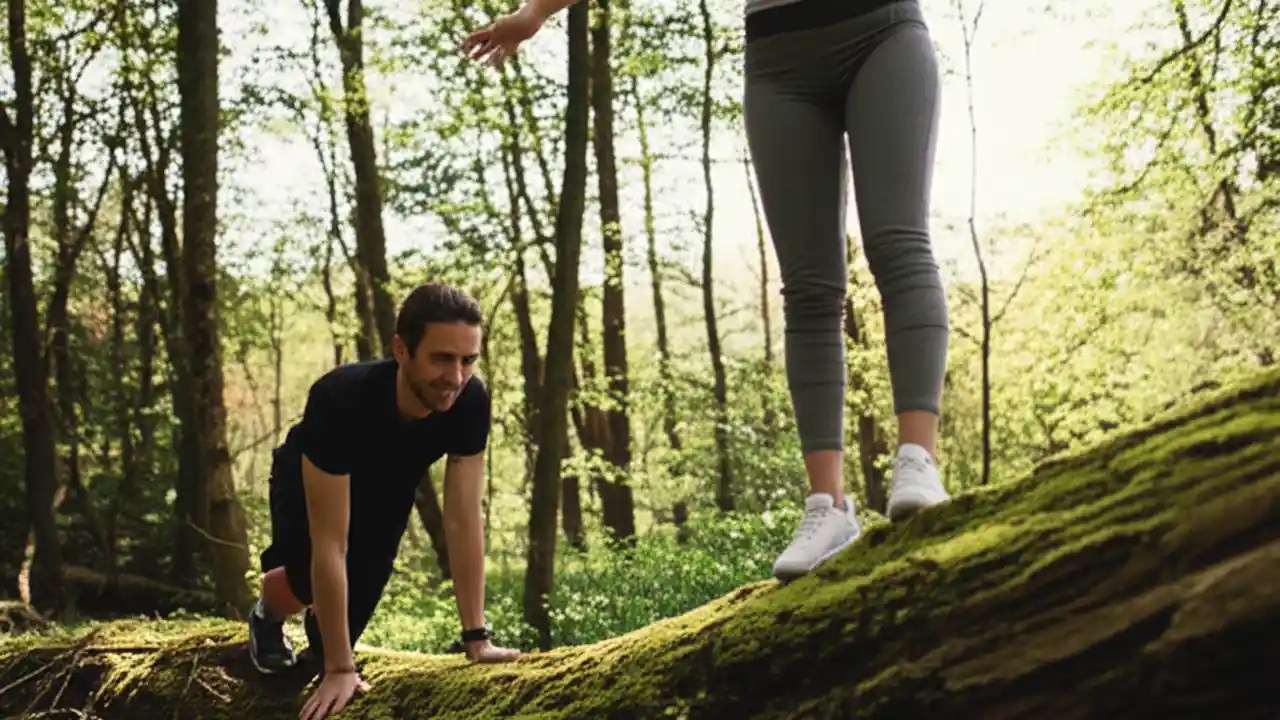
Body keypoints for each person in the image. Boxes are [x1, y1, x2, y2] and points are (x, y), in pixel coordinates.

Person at [463, 0, 951, 581]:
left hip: (881, 28)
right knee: (810, 289)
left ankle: (917, 460)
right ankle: (828, 506)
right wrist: (535, 14)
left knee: (898, 246)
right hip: (778, 57)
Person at [247, 283, 520, 720]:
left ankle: (319, 632)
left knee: (336, 626)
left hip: (389, 486)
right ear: (401, 349)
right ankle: (268, 611)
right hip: (311, 475)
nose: (456, 377)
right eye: (441, 358)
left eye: (468, 360)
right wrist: (339, 668)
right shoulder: (339, 400)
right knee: (305, 579)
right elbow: (330, 543)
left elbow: (464, 520)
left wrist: (477, 639)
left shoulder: (470, 400)